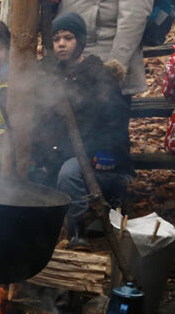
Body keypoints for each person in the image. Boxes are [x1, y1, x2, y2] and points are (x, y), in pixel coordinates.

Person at [32, 13, 131, 247]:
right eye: (56, 39)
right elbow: (41, 118)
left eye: (68, 38)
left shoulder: (99, 75)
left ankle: (77, 230)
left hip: (95, 154)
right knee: (38, 171)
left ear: (81, 41)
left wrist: (106, 152)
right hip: (59, 149)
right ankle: (44, 230)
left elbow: (115, 121)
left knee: (68, 174)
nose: (61, 44)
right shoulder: (49, 74)